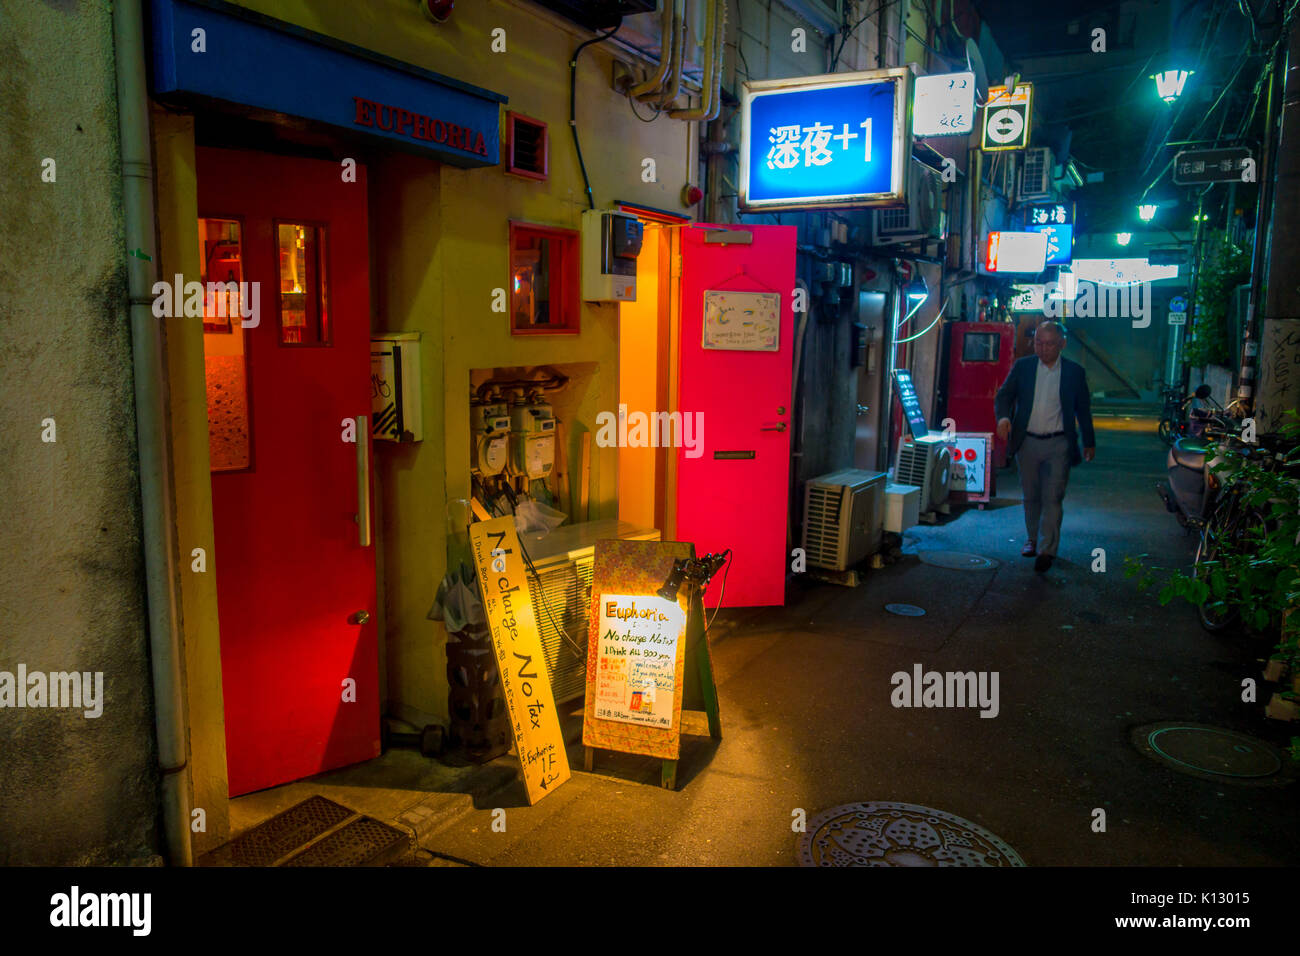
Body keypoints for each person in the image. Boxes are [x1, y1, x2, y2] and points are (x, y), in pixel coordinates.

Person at [995, 321, 1095, 572]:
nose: (1043, 348)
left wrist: (1089, 441)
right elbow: (1004, 395)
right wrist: (1004, 417)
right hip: (1027, 441)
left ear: (1062, 344)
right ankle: (1032, 539)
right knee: (1031, 496)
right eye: (1038, 342)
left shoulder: (1074, 372)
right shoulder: (1024, 367)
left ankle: (1047, 549)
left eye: (1050, 343)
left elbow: (1083, 409)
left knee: (1053, 497)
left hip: (1059, 443)